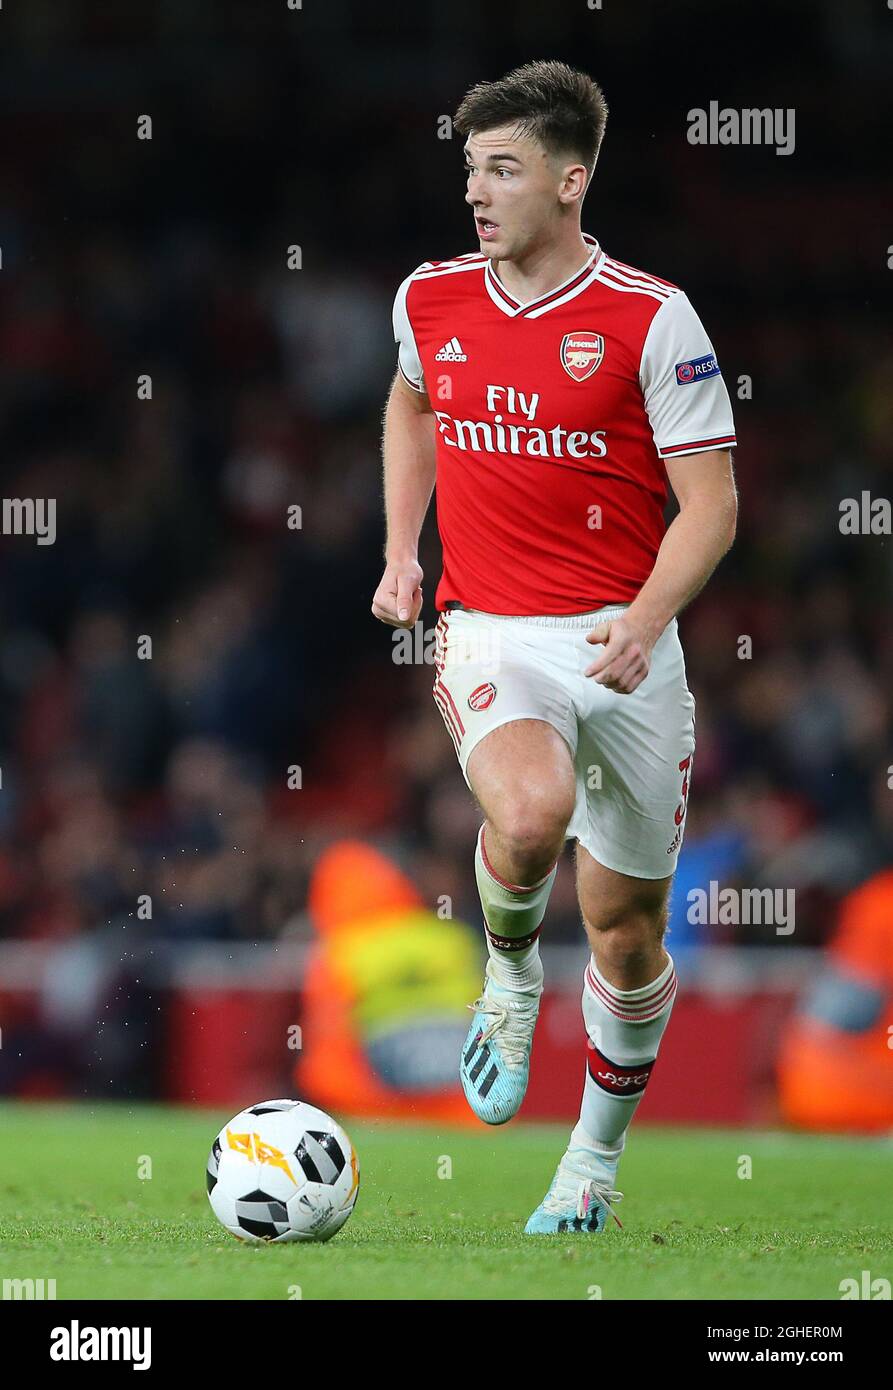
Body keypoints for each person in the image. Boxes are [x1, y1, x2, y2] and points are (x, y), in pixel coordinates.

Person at [372, 60, 738, 1234]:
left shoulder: (648, 314)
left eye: (501, 169)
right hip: (494, 632)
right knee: (525, 816)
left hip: (627, 650)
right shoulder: (429, 296)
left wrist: (641, 620)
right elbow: (410, 403)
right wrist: (400, 548)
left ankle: (589, 1163)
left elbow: (712, 505)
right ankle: (512, 971)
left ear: (569, 178)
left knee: (627, 933)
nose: (475, 193)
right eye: (469, 168)